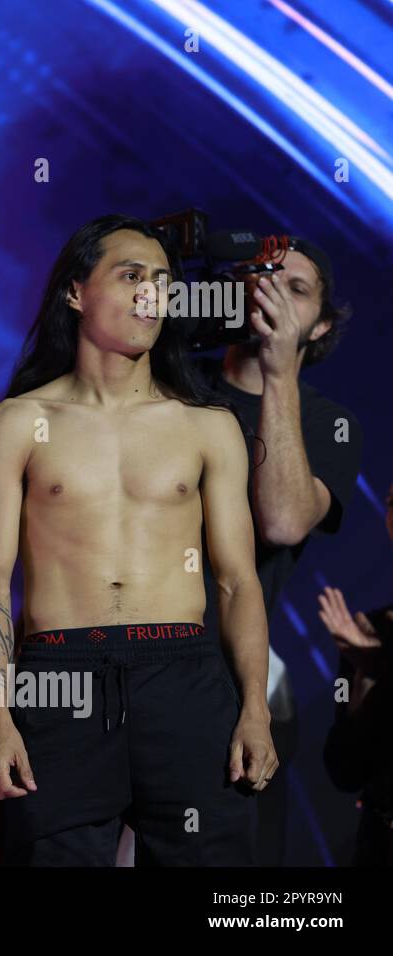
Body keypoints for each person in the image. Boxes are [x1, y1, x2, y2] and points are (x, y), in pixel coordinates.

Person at [0, 214, 276, 866]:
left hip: (185, 678)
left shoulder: (206, 427)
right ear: (76, 292)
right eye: (131, 275)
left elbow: (237, 581)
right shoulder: (18, 423)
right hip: (58, 679)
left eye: (163, 281)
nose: (151, 294)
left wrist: (255, 709)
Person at [193, 237, 363, 864]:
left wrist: (278, 374)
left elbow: (285, 521)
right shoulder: (174, 381)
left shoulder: (328, 424)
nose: (272, 292)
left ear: (318, 326)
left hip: (230, 687)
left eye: (296, 289)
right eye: (263, 275)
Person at [318, 480, 392, 866]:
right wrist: (356, 698)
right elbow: (342, 769)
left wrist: (375, 662)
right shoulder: (367, 628)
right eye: (392, 501)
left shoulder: (367, 643)